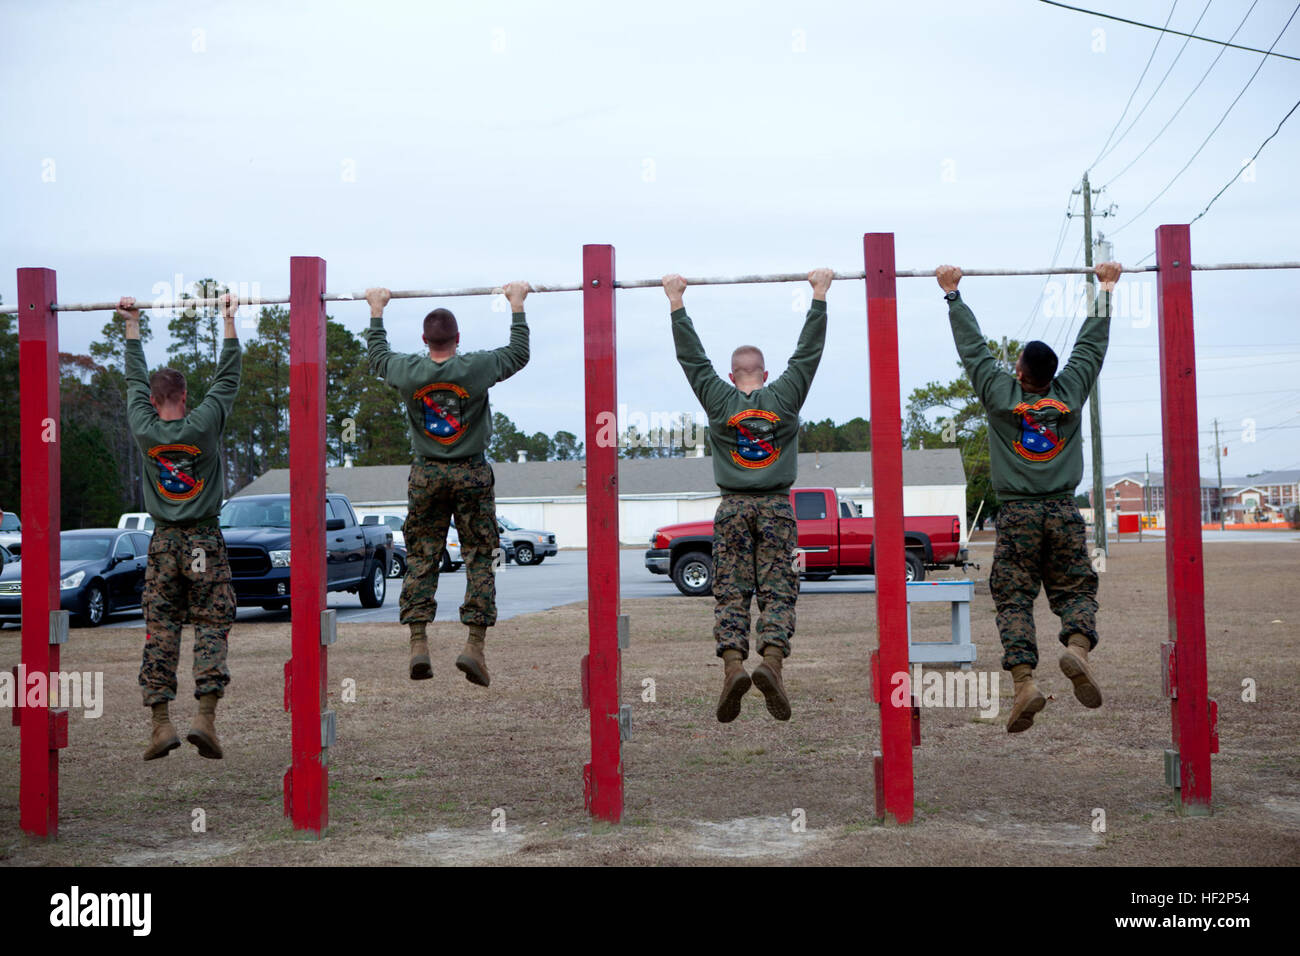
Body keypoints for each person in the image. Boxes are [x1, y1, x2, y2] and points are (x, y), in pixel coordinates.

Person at [935, 261, 1122, 732]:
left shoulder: (1002, 396)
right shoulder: (1071, 391)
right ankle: (1077, 649)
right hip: (1062, 509)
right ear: (1053, 373)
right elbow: (1090, 347)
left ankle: (1024, 683)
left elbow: (974, 352)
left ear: (1019, 371)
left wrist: (953, 295)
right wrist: (1105, 288)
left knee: (1013, 599)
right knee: (1076, 587)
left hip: (1017, 515)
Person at [664, 269, 830, 723]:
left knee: (731, 593)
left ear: (732, 374)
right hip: (777, 507)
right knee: (779, 590)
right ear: (766, 373)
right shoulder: (785, 396)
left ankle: (733, 666)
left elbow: (692, 361)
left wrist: (676, 301)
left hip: (733, 509)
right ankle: (772, 663)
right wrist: (818, 296)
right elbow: (808, 355)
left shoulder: (719, 400)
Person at [366, 282, 530, 686]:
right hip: (471, 471)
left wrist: (376, 311)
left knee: (422, 555)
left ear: (424, 340)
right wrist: (517, 305)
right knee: (480, 555)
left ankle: (419, 643)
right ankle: (474, 645)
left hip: (427, 474)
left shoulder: (408, 370)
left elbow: (377, 356)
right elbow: (519, 354)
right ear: (458, 339)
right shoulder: (474, 367)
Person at [120, 293, 242, 760]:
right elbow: (227, 377)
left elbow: (133, 379)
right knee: (212, 625)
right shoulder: (204, 425)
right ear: (186, 398)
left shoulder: (144, 427)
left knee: (161, 628)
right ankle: (205, 719)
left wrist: (133, 324)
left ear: (153, 401)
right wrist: (228, 318)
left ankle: (160, 725)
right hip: (204, 541)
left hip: (164, 543)